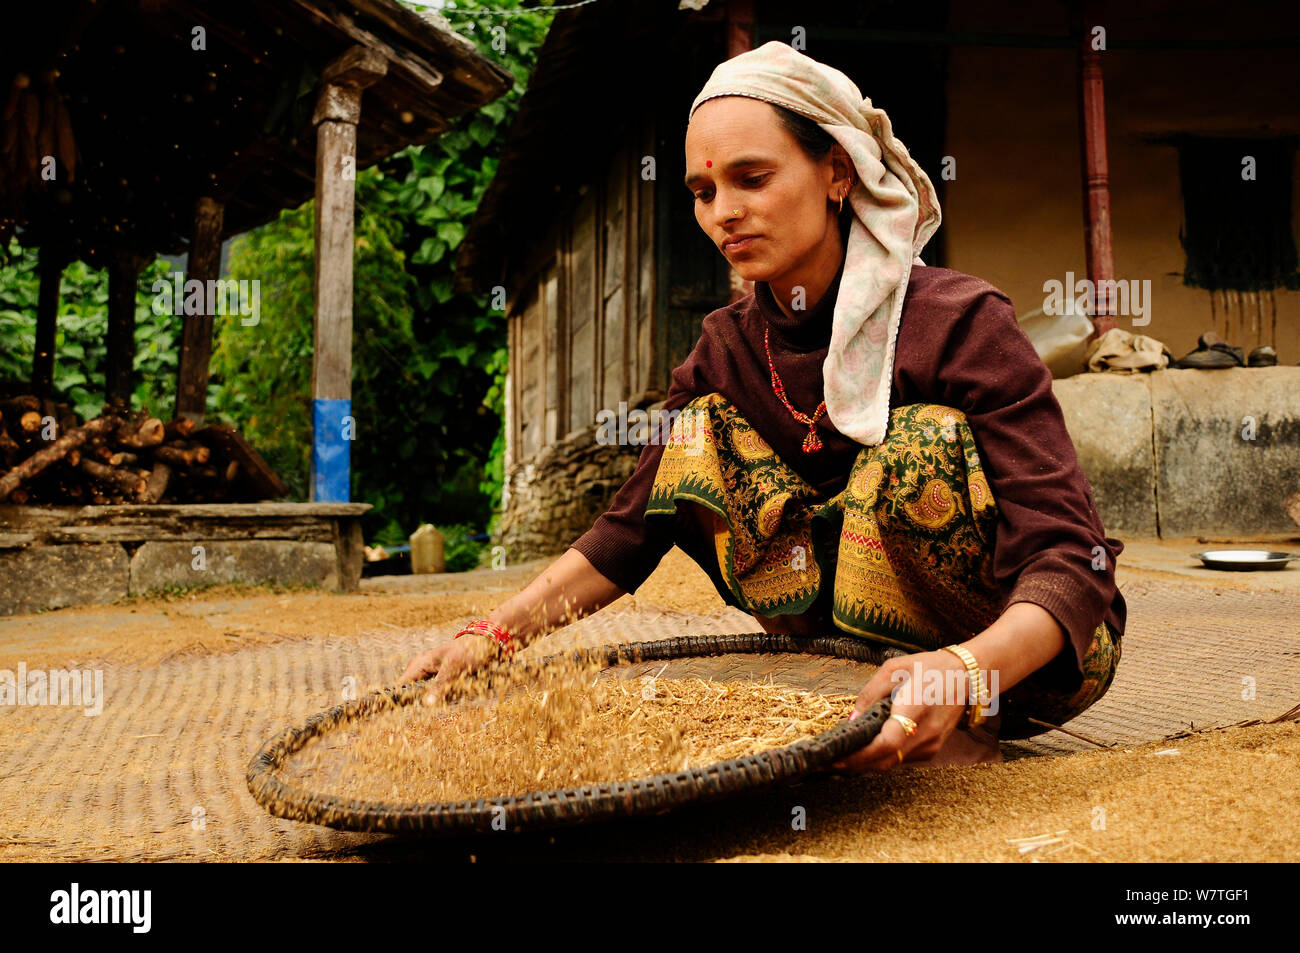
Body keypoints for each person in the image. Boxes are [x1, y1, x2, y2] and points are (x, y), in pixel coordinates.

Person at [402, 41, 1126, 772]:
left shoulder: (961, 322)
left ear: (837, 172)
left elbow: (1072, 556)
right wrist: (491, 634)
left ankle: (959, 718)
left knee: (914, 444)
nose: (725, 213)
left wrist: (967, 669)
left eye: (753, 178)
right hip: (847, 656)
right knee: (694, 434)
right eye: (703, 192)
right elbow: (629, 528)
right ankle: (850, 687)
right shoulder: (724, 350)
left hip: (1025, 658)